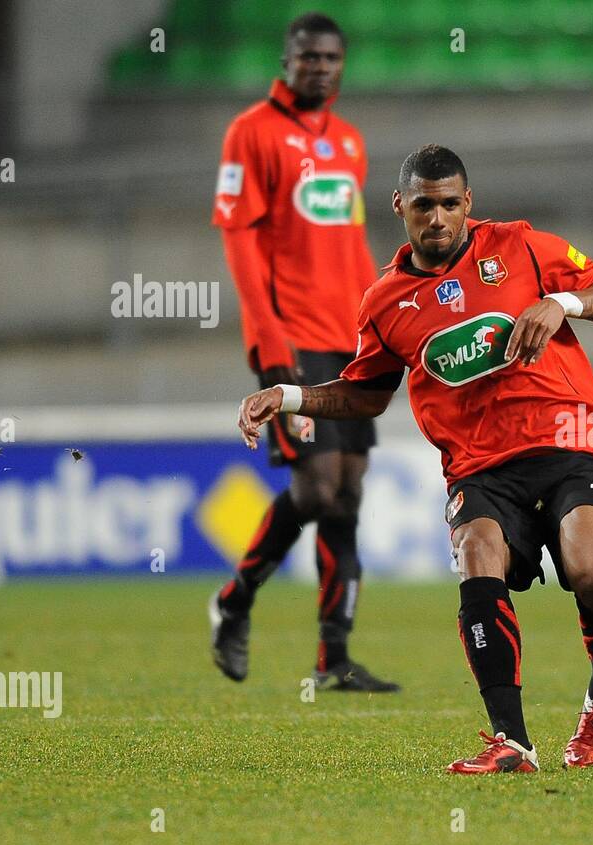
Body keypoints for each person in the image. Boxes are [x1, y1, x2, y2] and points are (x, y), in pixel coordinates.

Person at [236, 145, 593, 772]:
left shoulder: (521, 246)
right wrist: (289, 396)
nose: (438, 218)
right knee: (476, 553)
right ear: (400, 205)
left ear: (467, 203)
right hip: (480, 467)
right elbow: (366, 394)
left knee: (592, 575)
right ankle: (513, 742)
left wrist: (564, 304)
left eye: (450, 203)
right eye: (424, 204)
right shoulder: (385, 302)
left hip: (570, 442)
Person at [210, 12, 397, 692]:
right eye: (307, 56)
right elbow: (241, 244)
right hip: (291, 340)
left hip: (351, 343)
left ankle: (333, 660)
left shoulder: (348, 141)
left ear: (342, 66)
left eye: (330, 57)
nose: (318, 66)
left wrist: (381, 326)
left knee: (347, 491)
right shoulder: (250, 133)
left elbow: (349, 245)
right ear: (286, 60)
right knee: (316, 488)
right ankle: (234, 602)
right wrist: (269, 346)